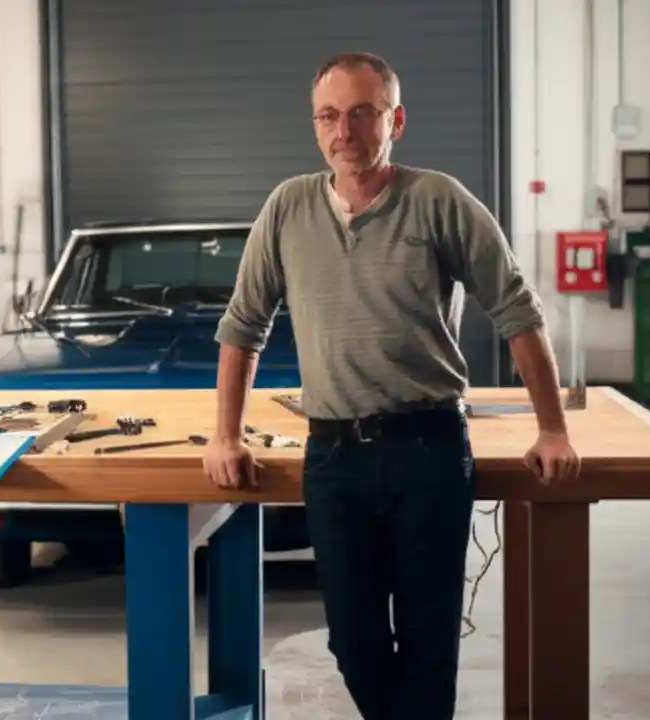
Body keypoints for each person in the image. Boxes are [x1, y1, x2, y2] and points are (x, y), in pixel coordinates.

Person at [203, 51, 581, 719]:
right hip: (334, 457)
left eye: (361, 114)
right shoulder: (288, 207)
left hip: (428, 449)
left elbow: (517, 312)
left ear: (395, 121)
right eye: (328, 116)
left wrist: (553, 428)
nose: (343, 132)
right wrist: (225, 435)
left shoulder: (439, 200)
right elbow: (243, 327)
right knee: (354, 643)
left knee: (429, 640)